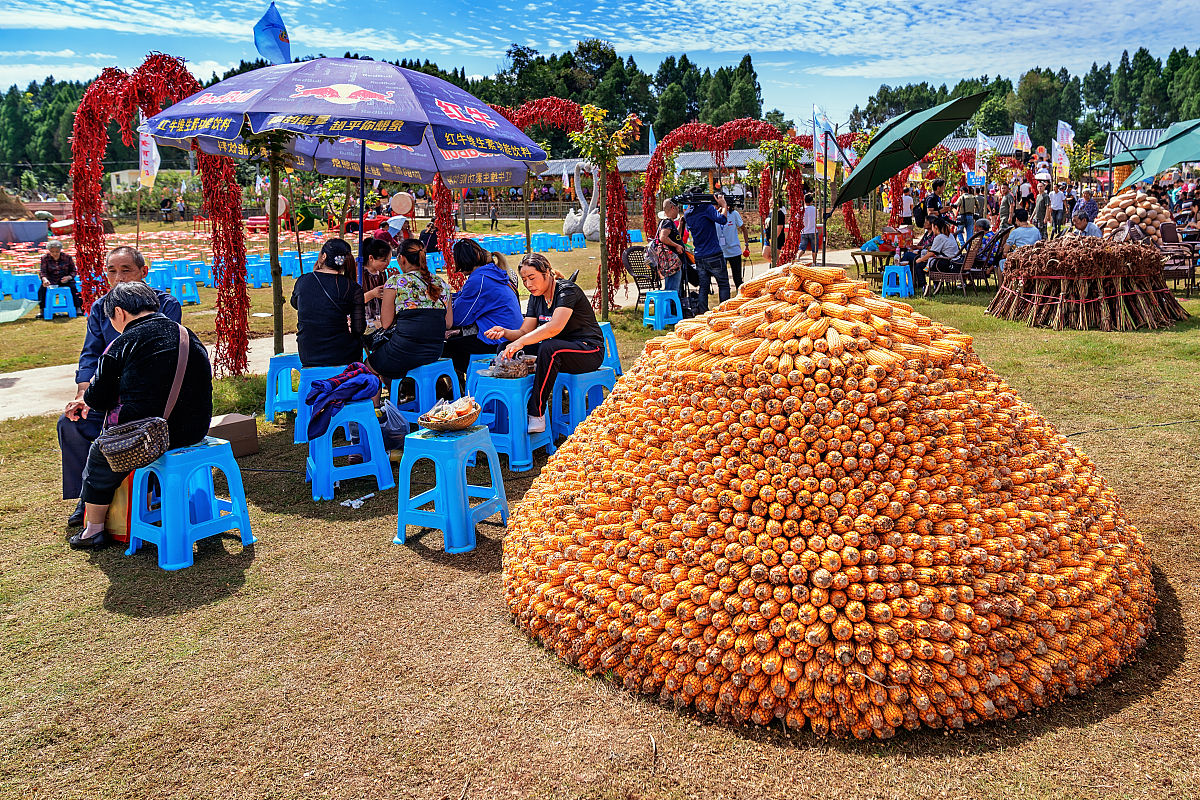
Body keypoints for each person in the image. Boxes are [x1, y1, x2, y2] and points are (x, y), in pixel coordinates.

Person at [64, 282, 212, 549]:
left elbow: (97, 399)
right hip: (195, 431)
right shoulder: (185, 333)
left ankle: (93, 530)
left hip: (151, 438)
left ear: (119, 313)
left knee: (100, 453)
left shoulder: (122, 343)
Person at [58, 246, 182, 528]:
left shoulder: (166, 305)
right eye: (112, 271)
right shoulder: (101, 307)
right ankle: (87, 498)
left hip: (148, 397)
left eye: (126, 270)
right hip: (105, 393)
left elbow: (162, 358)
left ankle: (142, 490)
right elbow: (90, 354)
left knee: (121, 426)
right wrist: (82, 395)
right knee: (72, 424)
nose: (119, 277)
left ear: (143, 272)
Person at [484, 253, 604, 435]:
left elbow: (554, 327)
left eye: (532, 278)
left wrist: (520, 342)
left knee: (549, 347)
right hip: (559, 348)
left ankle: (536, 412)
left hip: (588, 349)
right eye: (524, 280)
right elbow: (524, 332)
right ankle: (509, 408)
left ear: (547, 273)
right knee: (505, 347)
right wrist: (507, 334)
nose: (528, 284)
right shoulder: (536, 296)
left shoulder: (567, 291)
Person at [367, 238, 453, 381]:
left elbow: (386, 324)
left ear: (401, 259)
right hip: (434, 351)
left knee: (369, 365)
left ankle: (377, 404)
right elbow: (448, 323)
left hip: (403, 350)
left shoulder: (395, 282)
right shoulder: (441, 283)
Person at [443, 238, 521, 379]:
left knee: (444, 348)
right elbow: (463, 298)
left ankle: (455, 390)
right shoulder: (491, 273)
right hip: (509, 337)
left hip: (498, 342)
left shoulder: (479, 279)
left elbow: (458, 318)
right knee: (455, 340)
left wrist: (446, 296)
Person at [289, 238, 365, 368]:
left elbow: (295, 304)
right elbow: (359, 329)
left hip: (308, 354)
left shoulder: (303, 281)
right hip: (343, 354)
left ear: (323, 256)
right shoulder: (352, 287)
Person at [683, 192, 730, 312]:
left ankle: (702, 312)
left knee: (703, 287)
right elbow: (722, 220)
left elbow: (705, 219)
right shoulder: (706, 208)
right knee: (723, 284)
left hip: (699, 255)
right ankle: (725, 312)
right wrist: (724, 206)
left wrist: (716, 209)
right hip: (714, 253)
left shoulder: (688, 213)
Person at [714, 191, 748, 289]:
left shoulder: (734, 214)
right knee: (722, 280)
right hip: (720, 252)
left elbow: (744, 229)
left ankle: (741, 298)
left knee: (737, 279)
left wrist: (746, 245)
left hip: (734, 251)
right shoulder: (714, 214)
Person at [39, 240, 81, 315]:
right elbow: (43, 272)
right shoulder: (45, 258)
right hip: (51, 280)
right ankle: (42, 309)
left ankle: (77, 307)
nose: (55, 254)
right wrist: (45, 279)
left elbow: (73, 271)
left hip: (65, 279)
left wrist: (68, 277)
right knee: (42, 290)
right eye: (52, 252)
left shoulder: (67, 257)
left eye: (57, 252)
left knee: (73, 288)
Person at [360, 236, 396, 325]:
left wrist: (392, 281)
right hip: (364, 321)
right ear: (371, 258)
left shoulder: (382, 273)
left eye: (389, 260)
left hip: (379, 320)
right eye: (384, 260)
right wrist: (372, 294)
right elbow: (353, 301)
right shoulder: (359, 274)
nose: (387, 264)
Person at [799, 194, 818, 265]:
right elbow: (817, 217)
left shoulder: (802, 209)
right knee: (814, 248)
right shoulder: (814, 209)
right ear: (812, 201)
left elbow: (798, 218)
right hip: (813, 231)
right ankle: (814, 262)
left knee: (802, 248)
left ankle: (798, 258)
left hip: (804, 231)